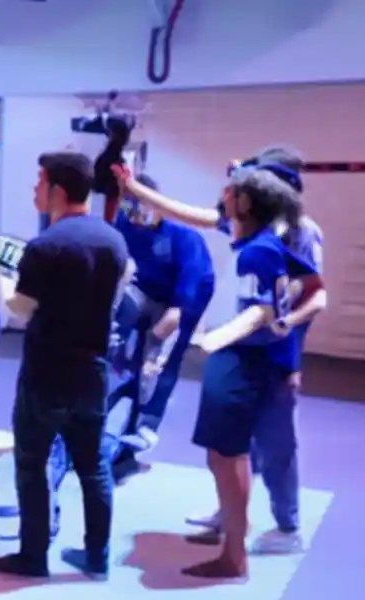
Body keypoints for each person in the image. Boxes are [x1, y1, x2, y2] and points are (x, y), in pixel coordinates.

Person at [114, 147, 326, 555]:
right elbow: (191, 214)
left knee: (276, 444)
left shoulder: (300, 233)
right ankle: (230, 513)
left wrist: (291, 347)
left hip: (274, 356)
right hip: (239, 354)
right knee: (230, 444)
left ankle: (288, 525)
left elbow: (306, 297)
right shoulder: (250, 228)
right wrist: (133, 186)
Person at [0, 152, 130, 580]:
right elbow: (117, 296)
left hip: (46, 375)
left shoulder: (45, 246)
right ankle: (96, 556)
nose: (34, 190)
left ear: (57, 191)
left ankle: (32, 557)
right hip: (93, 373)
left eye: (38, 182)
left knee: (31, 464)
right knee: (93, 466)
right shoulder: (114, 241)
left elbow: (20, 312)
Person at [181, 167, 316, 578]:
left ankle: (233, 555)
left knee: (227, 456)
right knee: (224, 456)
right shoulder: (260, 245)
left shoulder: (258, 251)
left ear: (246, 203)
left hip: (241, 364)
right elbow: (308, 285)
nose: (223, 193)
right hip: (240, 362)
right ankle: (233, 542)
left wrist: (213, 339)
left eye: (232, 190)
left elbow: (262, 311)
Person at [110, 173, 216, 457]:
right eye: (126, 204)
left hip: (188, 293)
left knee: (161, 353)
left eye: (137, 204)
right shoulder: (123, 226)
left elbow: (191, 277)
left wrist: (176, 312)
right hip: (147, 286)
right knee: (122, 316)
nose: (131, 212)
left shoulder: (183, 236)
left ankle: (149, 424)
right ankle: (120, 377)